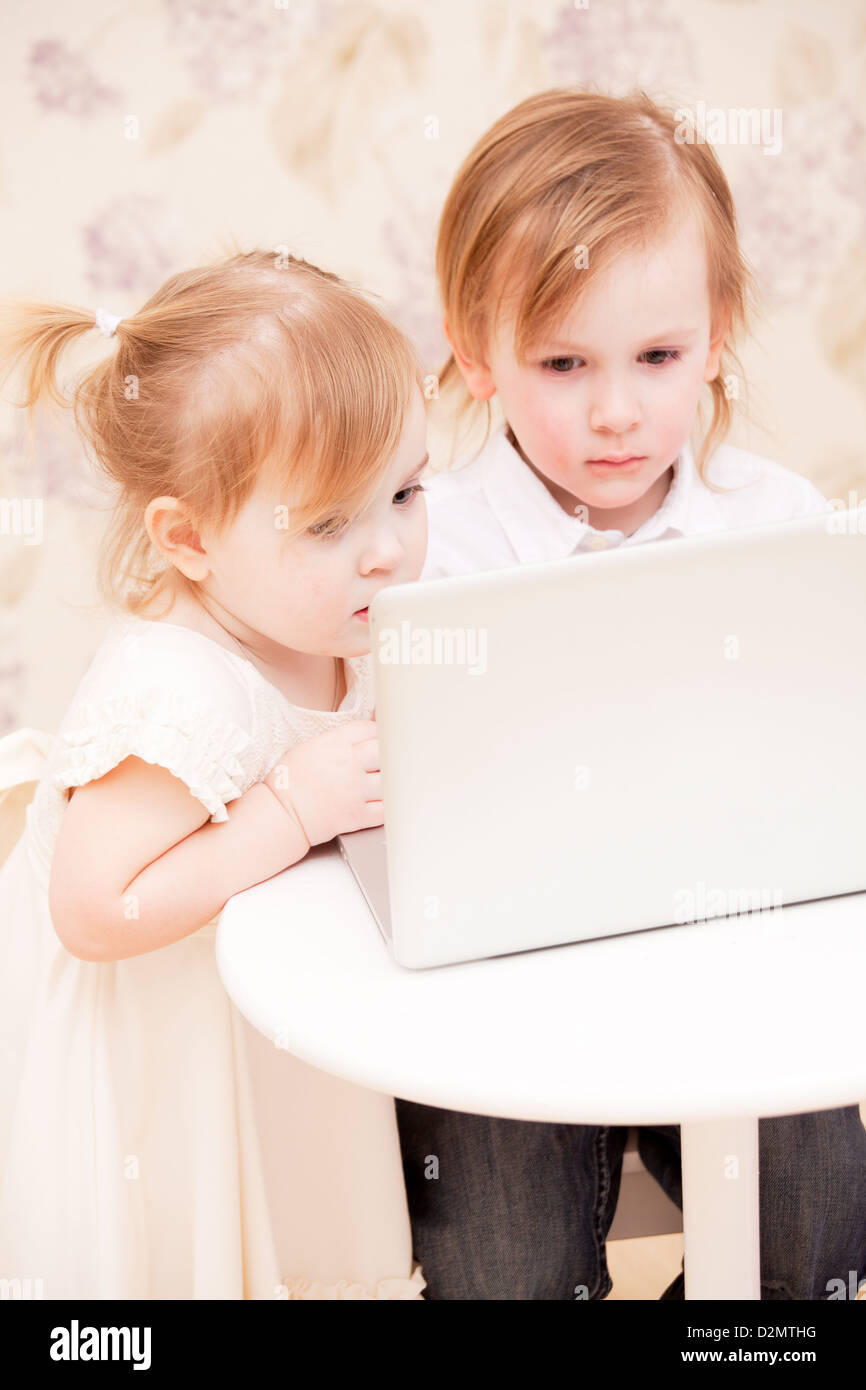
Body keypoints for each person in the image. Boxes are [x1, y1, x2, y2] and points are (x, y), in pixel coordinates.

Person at [395, 87, 866, 1300]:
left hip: (727, 950)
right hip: (502, 979)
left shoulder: (776, 527)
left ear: (715, 332)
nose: (615, 412)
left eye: (657, 357)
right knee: (501, 1271)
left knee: (815, 1247)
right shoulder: (426, 546)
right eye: (561, 363)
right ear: (472, 345)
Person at [0, 248, 429, 1299]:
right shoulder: (175, 688)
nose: (385, 549)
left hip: (260, 1026)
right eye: (328, 522)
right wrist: (286, 808)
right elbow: (95, 910)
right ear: (188, 539)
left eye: (406, 491)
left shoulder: (336, 619)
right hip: (152, 1056)